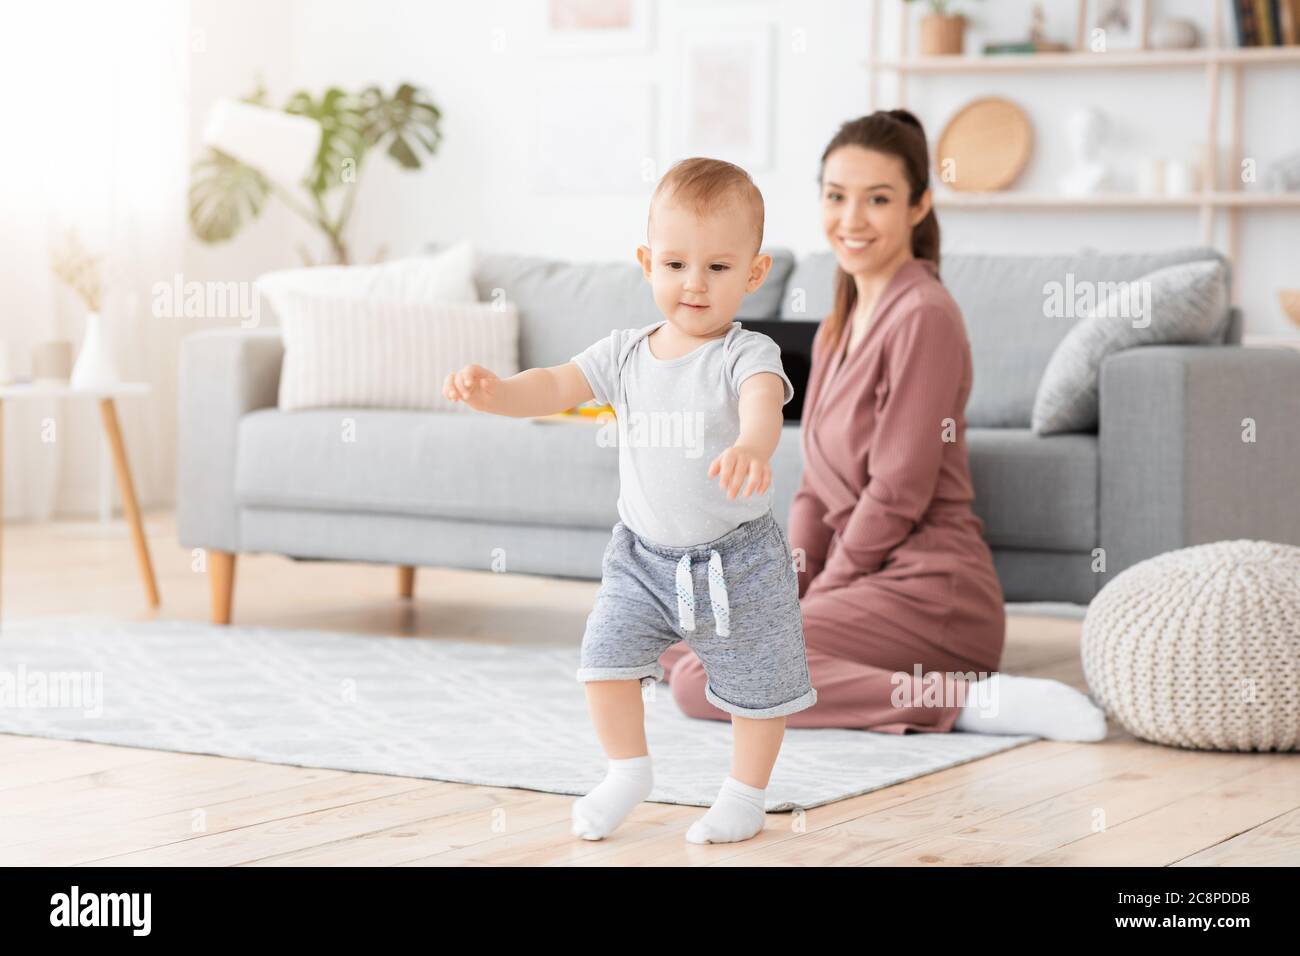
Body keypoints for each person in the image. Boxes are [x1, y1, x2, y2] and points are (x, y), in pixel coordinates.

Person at [659, 112, 1107, 743]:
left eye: (878, 199)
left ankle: (967, 703)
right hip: (862, 582)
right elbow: (816, 489)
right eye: (837, 197)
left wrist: (814, 602)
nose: (852, 220)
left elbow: (898, 490)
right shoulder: (840, 321)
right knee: (678, 647)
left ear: (919, 204)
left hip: (932, 592)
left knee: (702, 677)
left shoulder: (924, 315)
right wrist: (789, 590)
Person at [444, 156, 813, 844]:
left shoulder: (747, 353)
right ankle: (627, 772)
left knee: (762, 688)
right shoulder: (624, 352)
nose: (693, 284)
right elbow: (554, 385)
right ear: (647, 262)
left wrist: (752, 449)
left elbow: (763, 407)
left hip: (737, 564)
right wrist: (497, 393)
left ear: (754, 274)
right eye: (675, 264)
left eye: (718, 268)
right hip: (641, 557)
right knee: (603, 662)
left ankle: (744, 794)